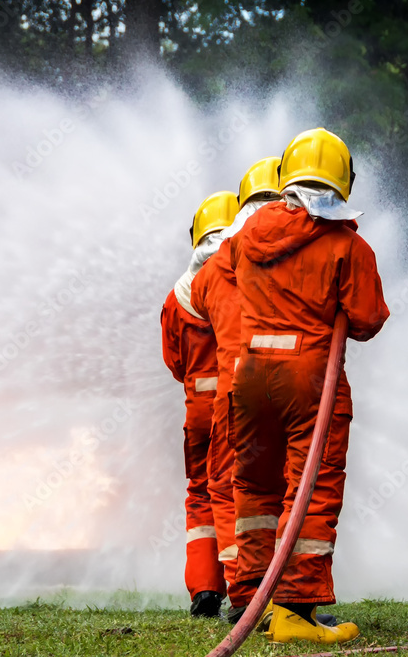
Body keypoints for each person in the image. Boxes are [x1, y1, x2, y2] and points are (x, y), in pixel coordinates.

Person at [228, 128, 390, 643]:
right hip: (310, 379)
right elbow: (365, 320)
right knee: (310, 489)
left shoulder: (245, 236)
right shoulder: (347, 245)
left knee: (255, 486)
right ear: (343, 181)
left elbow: (230, 277)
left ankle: (250, 594)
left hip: (249, 376)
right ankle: (294, 612)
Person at [190, 159, 282, 624]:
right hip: (289, 394)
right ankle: (285, 593)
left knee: (230, 494)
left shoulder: (210, 272)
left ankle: (241, 589)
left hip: (230, 399)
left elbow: (181, 334)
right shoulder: (304, 249)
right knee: (290, 489)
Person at [159, 191, 238, 617]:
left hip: (198, 412)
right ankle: (245, 583)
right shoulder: (242, 282)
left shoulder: (176, 298)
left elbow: (174, 362)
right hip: (236, 404)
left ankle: (205, 590)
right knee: (241, 493)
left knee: (201, 495)